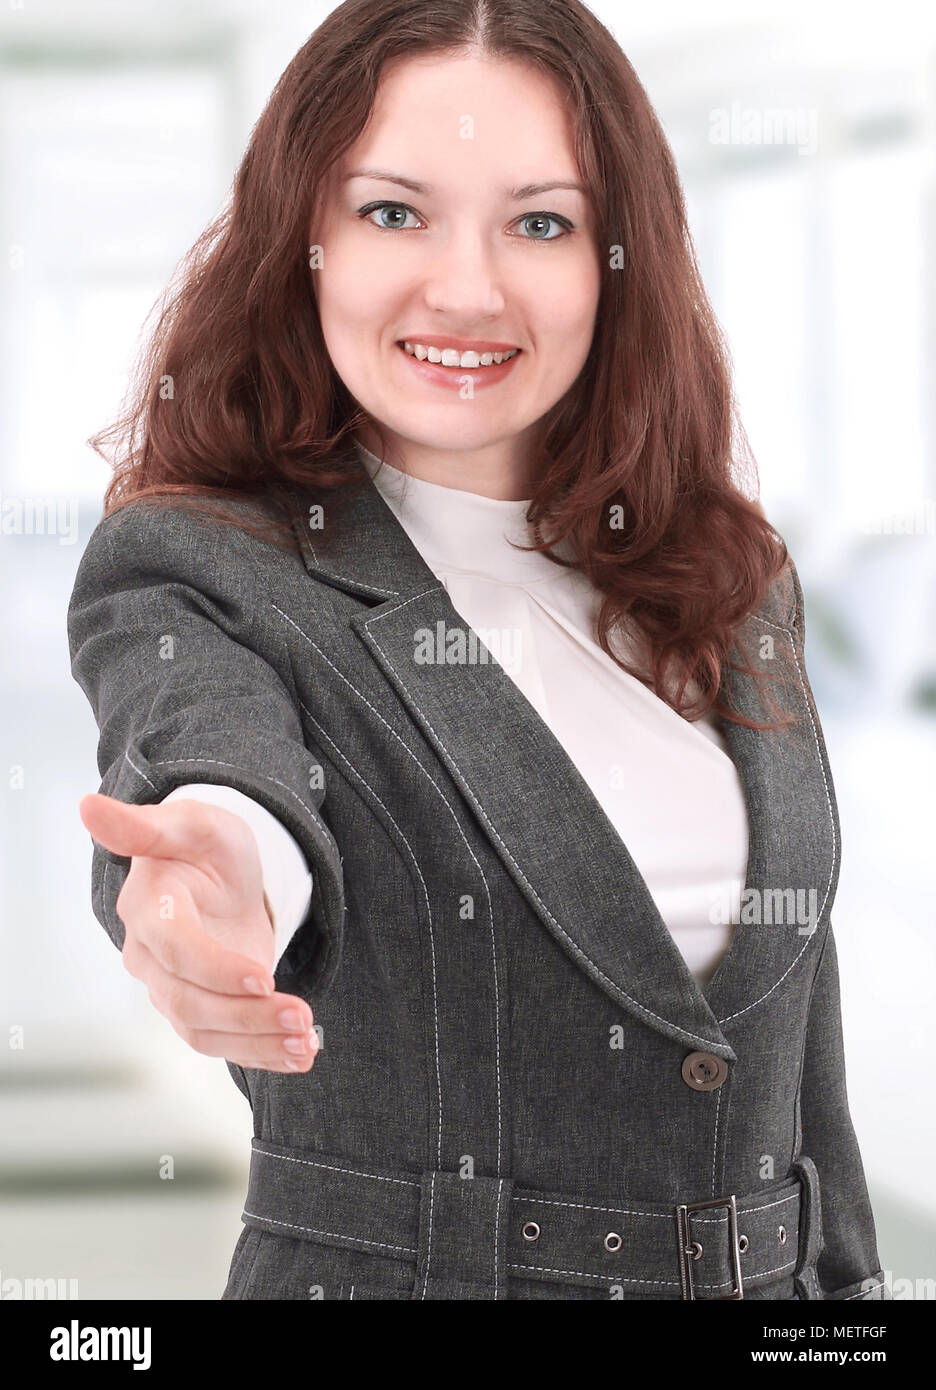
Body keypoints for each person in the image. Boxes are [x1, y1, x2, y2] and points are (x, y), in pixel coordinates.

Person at [67, 0, 887, 1300]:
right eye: (394, 212)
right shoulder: (207, 559)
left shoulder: (732, 576)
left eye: (541, 222)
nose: (467, 286)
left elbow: (801, 1056)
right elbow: (214, 770)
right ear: (308, 239)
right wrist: (219, 874)